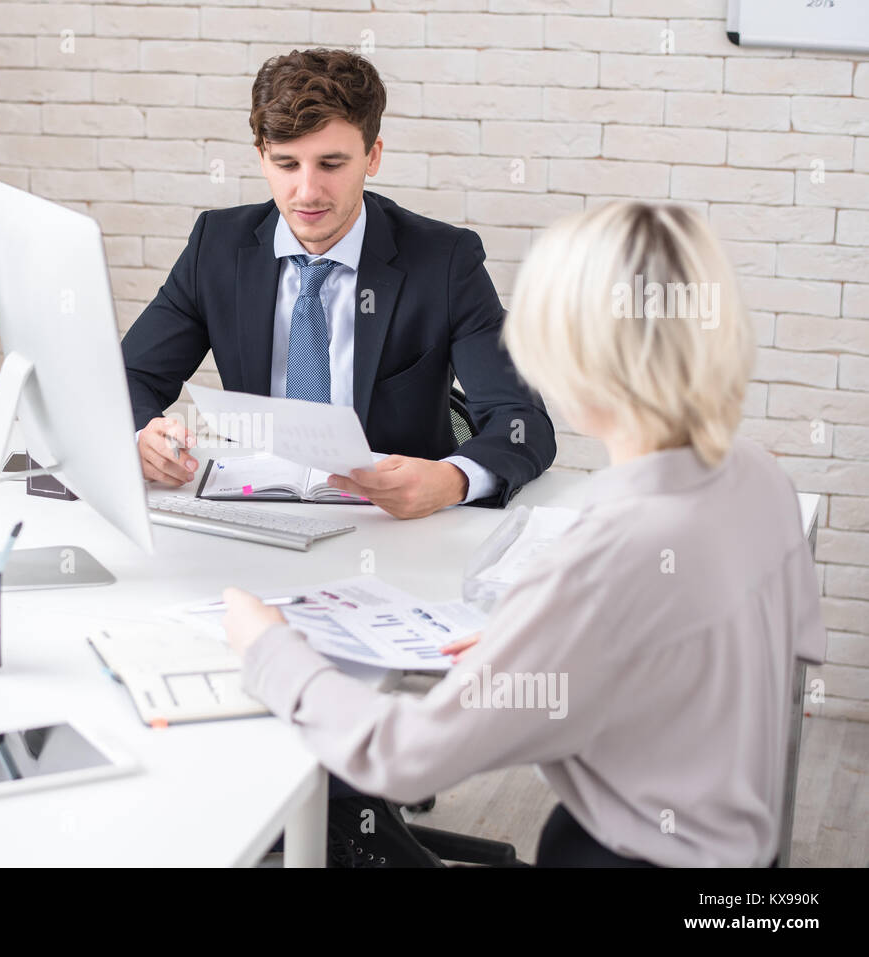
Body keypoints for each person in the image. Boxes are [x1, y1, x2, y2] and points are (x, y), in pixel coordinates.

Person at [221, 201, 828, 867]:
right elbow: (759, 651)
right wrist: (561, 641)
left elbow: (402, 757)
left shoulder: (611, 553)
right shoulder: (759, 480)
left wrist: (268, 646)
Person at [121, 48, 555, 518]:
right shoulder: (217, 247)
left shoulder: (445, 261)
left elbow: (522, 419)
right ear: (261, 156)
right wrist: (142, 435)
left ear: (372, 156)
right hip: (257, 510)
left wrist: (451, 480)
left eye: (331, 164)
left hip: (393, 526)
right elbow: (130, 375)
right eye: (287, 164)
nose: (307, 192)